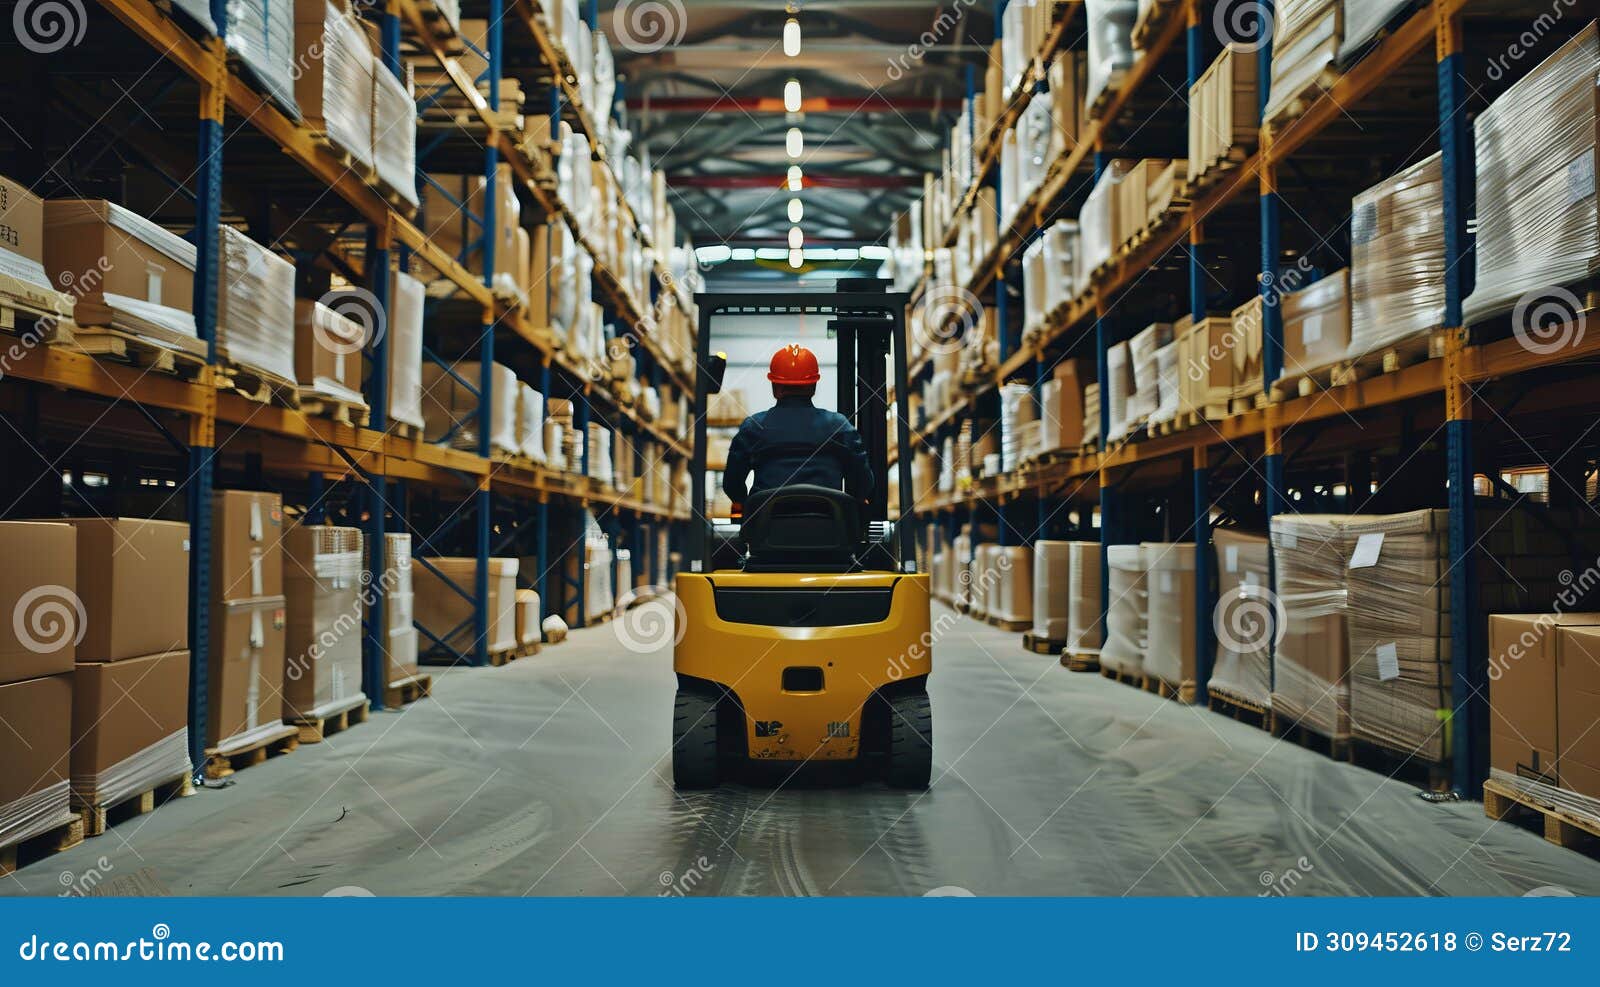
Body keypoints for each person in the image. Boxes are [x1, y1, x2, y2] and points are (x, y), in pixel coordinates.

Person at [723, 344, 874, 506]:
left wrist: (745, 504)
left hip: (767, 528)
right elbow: (863, 484)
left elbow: (732, 484)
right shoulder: (839, 426)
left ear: (775, 387)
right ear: (813, 387)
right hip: (829, 528)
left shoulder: (754, 427)